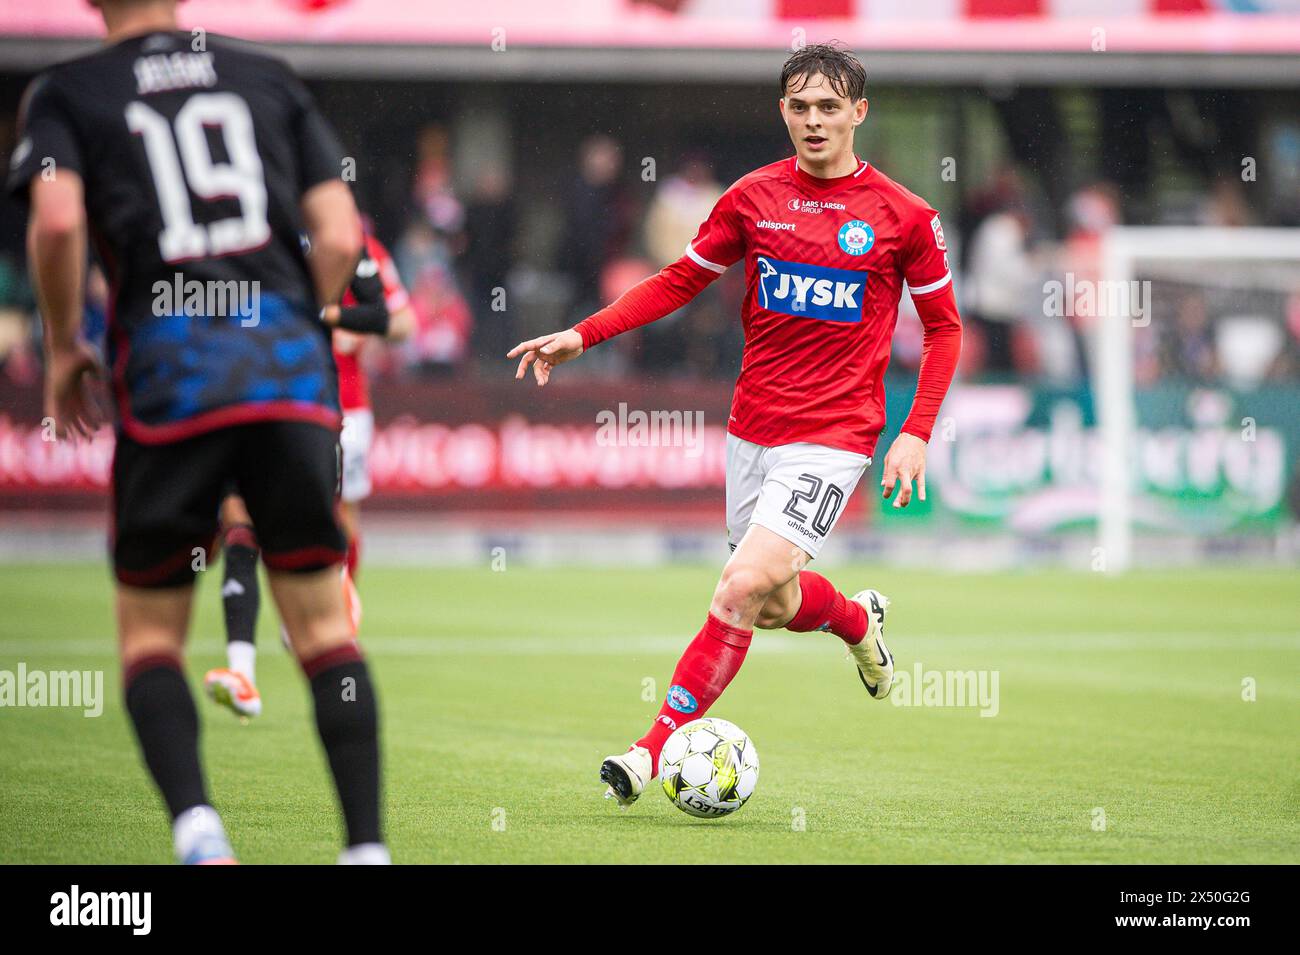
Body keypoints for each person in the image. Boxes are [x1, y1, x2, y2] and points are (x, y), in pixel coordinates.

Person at [508, 43, 963, 806]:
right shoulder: (753, 197)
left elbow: (944, 327)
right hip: (753, 430)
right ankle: (857, 620)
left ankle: (648, 752)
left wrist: (915, 430)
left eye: (829, 107)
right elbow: (680, 279)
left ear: (859, 112)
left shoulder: (904, 216)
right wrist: (583, 334)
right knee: (775, 603)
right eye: (799, 106)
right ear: (782, 110)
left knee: (739, 585)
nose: (813, 121)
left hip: (836, 435)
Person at [10, 0, 387, 863]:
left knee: (150, 637)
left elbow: (59, 222)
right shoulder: (267, 76)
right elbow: (336, 233)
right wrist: (289, 314)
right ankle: (366, 849)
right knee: (327, 629)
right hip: (288, 378)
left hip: (172, 383)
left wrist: (67, 346)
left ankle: (199, 830)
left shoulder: (66, 91)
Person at [204, 228, 414, 719]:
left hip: (336, 407)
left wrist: (341, 322)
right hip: (254, 399)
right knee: (240, 521)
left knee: (336, 517)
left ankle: (330, 626)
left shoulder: (354, 241)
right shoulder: (245, 230)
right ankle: (248, 667)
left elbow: (397, 319)